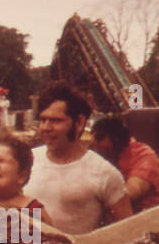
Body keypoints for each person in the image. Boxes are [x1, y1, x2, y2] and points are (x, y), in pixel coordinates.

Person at [23, 81, 132, 235]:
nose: (46, 128)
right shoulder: (26, 160)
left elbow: (128, 231)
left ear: (79, 123)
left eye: (55, 120)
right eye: (42, 120)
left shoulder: (104, 173)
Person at [90, 116, 159, 212]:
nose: (96, 151)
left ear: (115, 139)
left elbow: (131, 194)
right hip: (119, 212)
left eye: (98, 146)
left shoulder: (145, 157)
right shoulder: (109, 154)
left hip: (146, 215)